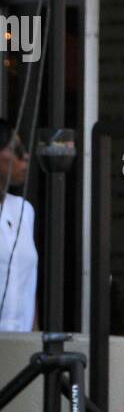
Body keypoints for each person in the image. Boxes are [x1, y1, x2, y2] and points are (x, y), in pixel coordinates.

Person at [0, 120, 38, 333]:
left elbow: (28, 283)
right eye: (16, 150)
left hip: (20, 347)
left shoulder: (24, 210)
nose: (26, 157)